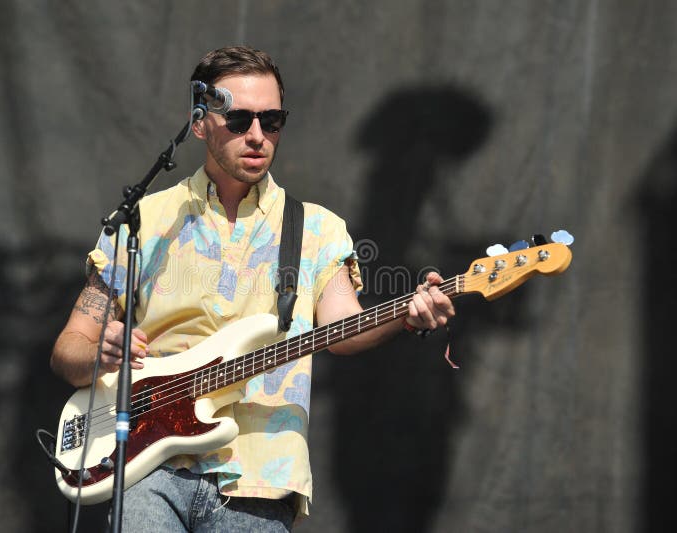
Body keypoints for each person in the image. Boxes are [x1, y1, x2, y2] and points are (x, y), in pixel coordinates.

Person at [50, 45, 455, 532]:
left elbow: (344, 331)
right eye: (240, 120)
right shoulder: (142, 222)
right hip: (147, 465)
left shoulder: (317, 231)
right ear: (199, 122)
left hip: (261, 479)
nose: (258, 136)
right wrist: (100, 353)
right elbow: (68, 349)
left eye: (272, 120)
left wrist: (405, 314)